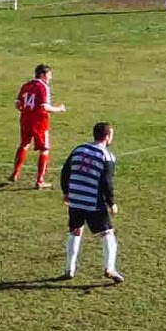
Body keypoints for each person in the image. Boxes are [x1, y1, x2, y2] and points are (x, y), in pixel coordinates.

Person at [60, 121, 123, 283]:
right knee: (108, 233)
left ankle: (69, 269)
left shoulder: (79, 149)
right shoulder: (107, 156)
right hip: (93, 201)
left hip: (75, 199)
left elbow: (65, 171)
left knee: (75, 230)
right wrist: (111, 203)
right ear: (107, 136)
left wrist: (66, 192)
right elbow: (107, 183)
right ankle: (110, 268)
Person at [9, 64, 67, 188]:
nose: (50, 78)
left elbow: (17, 104)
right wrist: (59, 109)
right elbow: (44, 106)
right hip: (39, 123)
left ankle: (15, 173)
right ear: (42, 75)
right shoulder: (43, 87)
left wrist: (26, 111)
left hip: (25, 120)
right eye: (49, 75)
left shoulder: (26, 85)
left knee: (24, 145)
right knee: (44, 149)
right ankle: (40, 180)